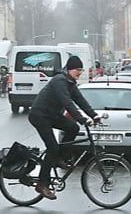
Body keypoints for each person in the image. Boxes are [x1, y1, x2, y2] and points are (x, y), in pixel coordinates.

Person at [27, 56, 100, 200]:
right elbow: (67, 102)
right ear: (68, 69)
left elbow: (80, 100)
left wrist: (94, 115)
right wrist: (82, 119)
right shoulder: (59, 80)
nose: (79, 72)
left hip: (52, 115)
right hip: (40, 116)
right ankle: (42, 184)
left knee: (73, 128)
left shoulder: (70, 83)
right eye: (77, 70)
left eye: (81, 70)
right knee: (52, 147)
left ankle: (59, 158)